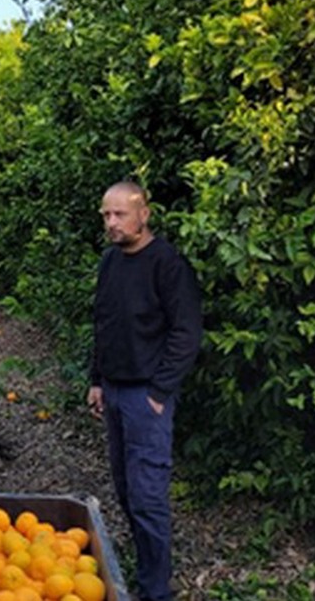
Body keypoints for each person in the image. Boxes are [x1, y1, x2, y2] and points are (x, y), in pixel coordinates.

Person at [87, 179, 202, 601]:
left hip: (146, 398)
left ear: (144, 213)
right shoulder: (110, 263)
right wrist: (97, 380)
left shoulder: (167, 264)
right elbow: (104, 323)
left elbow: (186, 333)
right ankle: (143, 569)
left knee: (148, 495)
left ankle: (156, 591)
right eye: (106, 215)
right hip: (114, 392)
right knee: (124, 489)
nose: (111, 223)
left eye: (119, 214)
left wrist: (158, 391)